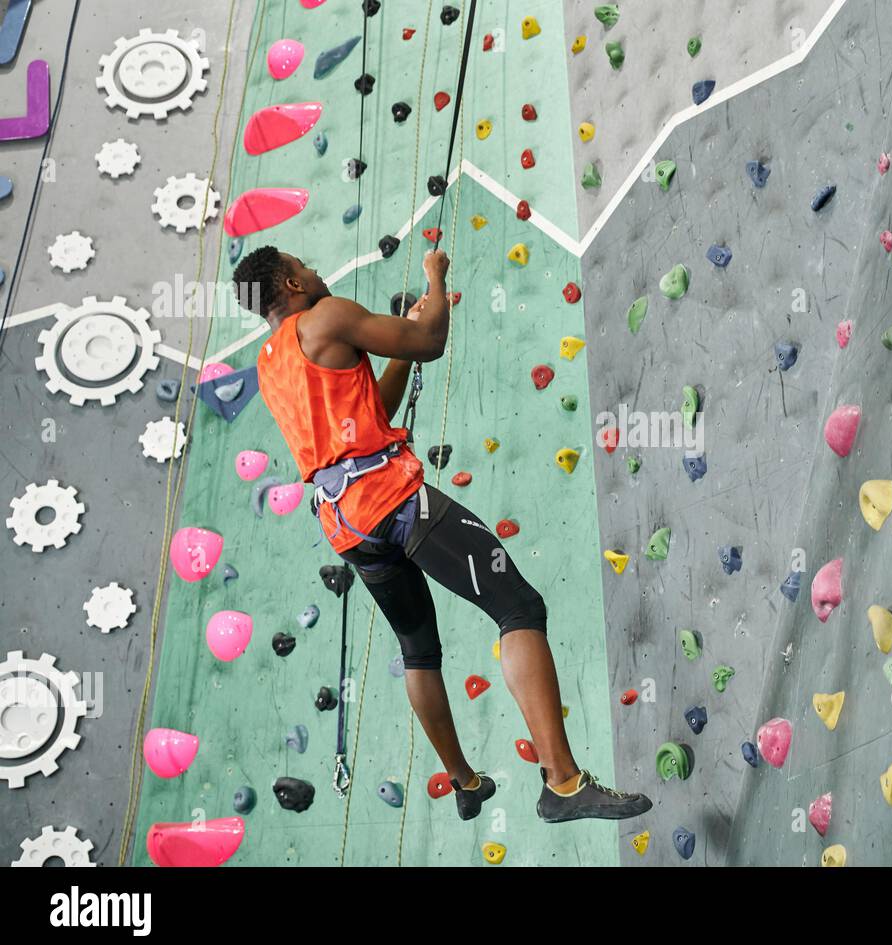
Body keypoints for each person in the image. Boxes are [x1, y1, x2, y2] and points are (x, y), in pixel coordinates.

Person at [233, 246, 650, 824]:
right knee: (519, 607)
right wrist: (436, 279)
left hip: (346, 526)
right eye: (304, 265)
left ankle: (465, 781)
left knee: (419, 652)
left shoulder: (271, 362)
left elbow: (372, 408)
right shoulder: (325, 317)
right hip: (390, 500)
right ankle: (563, 782)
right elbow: (430, 339)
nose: (314, 270)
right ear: (289, 281)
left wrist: (403, 345)